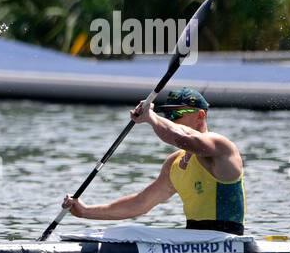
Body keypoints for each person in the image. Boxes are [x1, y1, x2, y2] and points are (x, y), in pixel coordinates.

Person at [63, 87, 245, 234]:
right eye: (168, 115)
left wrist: (151, 118)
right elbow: (140, 203)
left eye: (177, 114)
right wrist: (85, 211)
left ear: (200, 115)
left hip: (226, 242)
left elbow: (182, 138)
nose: (171, 120)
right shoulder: (174, 163)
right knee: (127, 232)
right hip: (193, 244)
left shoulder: (221, 147)